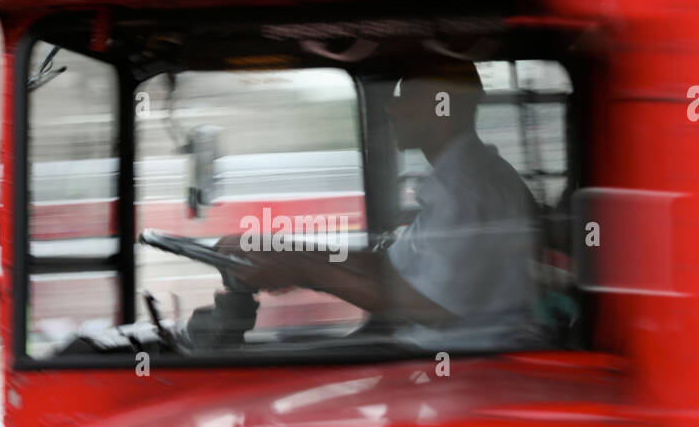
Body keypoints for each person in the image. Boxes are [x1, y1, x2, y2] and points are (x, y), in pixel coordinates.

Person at [216, 57, 543, 347]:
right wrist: (287, 251)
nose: (392, 108)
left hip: (459, 368)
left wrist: (303, 270)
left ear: (443, 106)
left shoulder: (467, 189)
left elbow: (430, 308)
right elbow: (392, 268)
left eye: (407, 98)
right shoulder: (465, 178)